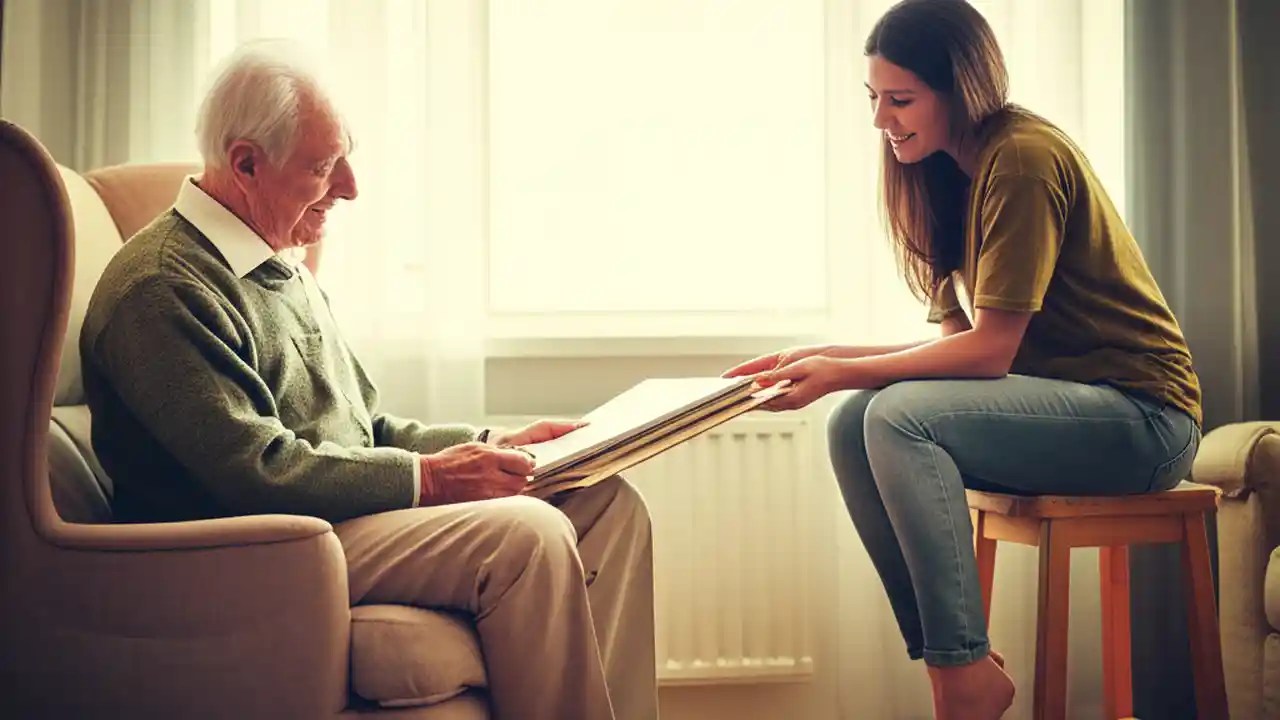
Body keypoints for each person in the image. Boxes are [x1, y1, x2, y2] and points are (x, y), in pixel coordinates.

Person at [80, 43, 657, 720]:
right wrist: (438, 478)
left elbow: (369, 428)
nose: (350, 187)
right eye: (324, 167)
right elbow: (256, 472)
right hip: (252, 546)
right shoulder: (162, 288)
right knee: (527, 536)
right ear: (245, 164)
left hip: (330, 515)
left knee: (604, 501)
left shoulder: (277, 262)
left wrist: (495, 442)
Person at [723, 1, 1201, 718]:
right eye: (874, 98)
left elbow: (989, 352)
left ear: (961, 88)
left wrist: (840, 371)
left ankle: (962, 673)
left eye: (901, 100)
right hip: (1067, 409)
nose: (881, 120)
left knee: (891, 417)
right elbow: (951, 348)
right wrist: (820, 359)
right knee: (850, 425)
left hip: (1144, 419)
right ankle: (959, 665)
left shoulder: (1024, 158)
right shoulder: (950, 173)